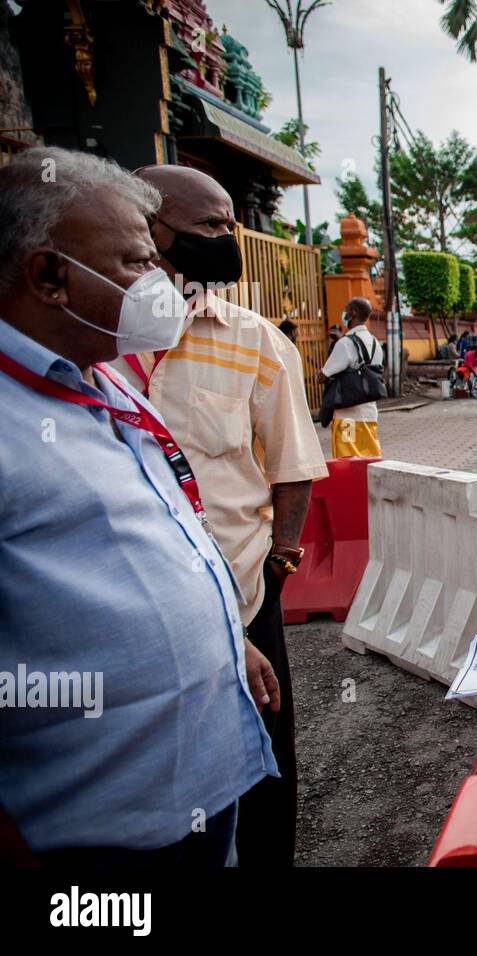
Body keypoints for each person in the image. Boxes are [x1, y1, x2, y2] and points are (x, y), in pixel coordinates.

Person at [0, 147, 278, 865]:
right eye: (134, 262)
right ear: (50, 276)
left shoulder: (100, 380)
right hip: (91, 837)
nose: (158, 281)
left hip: (199, 790)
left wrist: (225, 638)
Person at [120, 164, 329, 867]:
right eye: (211, 225)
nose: (228, 240)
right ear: (152, 228)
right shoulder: (96, 344)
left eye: (230, 223)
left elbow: (292, 465)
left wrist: (282, 560)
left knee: (265, 764)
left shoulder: (255, 339)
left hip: (244, 595)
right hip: (135, 614)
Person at [318, 296, 383, 458]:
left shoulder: (345, 343)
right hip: (369, 416)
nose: (344, 313)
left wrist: (322, 375)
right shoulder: (375, 343)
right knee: (369, 461)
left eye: (346, 310)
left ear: (353, 313)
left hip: (348, 418)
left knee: (347, 462)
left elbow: (324, 375)